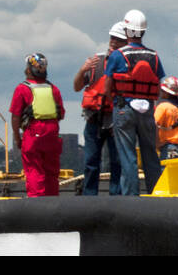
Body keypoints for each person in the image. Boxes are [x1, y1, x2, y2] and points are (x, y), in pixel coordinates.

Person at [105, 9, 165, 195]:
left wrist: (112, 102)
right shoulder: (153, 56)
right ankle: (156, 194)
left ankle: (131, 200)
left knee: (128, 156)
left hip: (124, 108)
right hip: (147, 110)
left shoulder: (117, 55)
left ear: (127, 31)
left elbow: (108, 85)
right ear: (143, 32)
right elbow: (159, 83)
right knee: (150, 155)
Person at [72, 22, 125, 195]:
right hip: (94, 120)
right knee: (91, 162)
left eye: (118, 39)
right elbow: (77, 86)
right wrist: (83, 70)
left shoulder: (126, 63)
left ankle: (115, 198)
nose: (114, 42)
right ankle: (89, 198)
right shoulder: (96, 61)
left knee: (116, 163)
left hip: (114, 122)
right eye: (112, 38)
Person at [10, 52, 65, 197]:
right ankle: (53, 204)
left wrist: (18, 138)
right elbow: (61, 114)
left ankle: (37, 205)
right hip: (52, 133)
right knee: (52, 172)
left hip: (34, 132)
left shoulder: (22, 89)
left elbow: (15, 117)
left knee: (34, 170)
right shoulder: (53, 89)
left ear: (29, 69)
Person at [156, 75, 178, 163]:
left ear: (166, 92)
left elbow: (154, 125)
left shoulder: (163, 107)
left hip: (169, 148)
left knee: (167, 174)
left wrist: (157, 143)